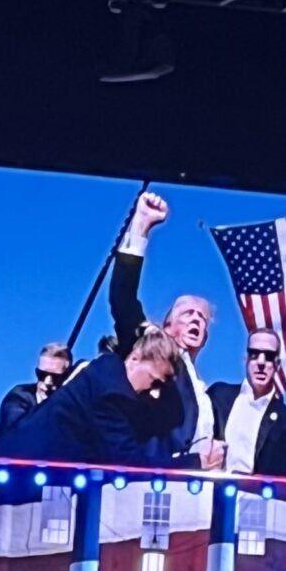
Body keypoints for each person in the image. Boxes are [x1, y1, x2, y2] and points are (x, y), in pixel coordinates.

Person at [107, 191, 220, 465]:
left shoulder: (205, 390)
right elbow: (123, 301)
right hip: (154, 483)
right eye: (187, 313)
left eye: (202, 318)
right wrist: (141, 227)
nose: (196, 319)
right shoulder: (155, 351)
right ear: (167, 325)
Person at [0, 326, 185, 471]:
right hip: (9, 485)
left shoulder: (102, 377)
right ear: (134, 359)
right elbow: (129, 462)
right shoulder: (110, 396)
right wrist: (193, 463)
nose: (154, 392)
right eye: (153, 381)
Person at [208, 327, 286, 476]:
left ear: (277, 364)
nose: (261, 362)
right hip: (209, 495)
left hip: (256, 498)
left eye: (268, 356)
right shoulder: (218, 395)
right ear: (245, 360)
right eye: (254, 354)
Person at [0, 342, 74, 445]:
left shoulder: (72, 404)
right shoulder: (19, 396)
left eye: (56, 377)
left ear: (66, 376)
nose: (48, 381)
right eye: (42, 374)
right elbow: (16, 433)